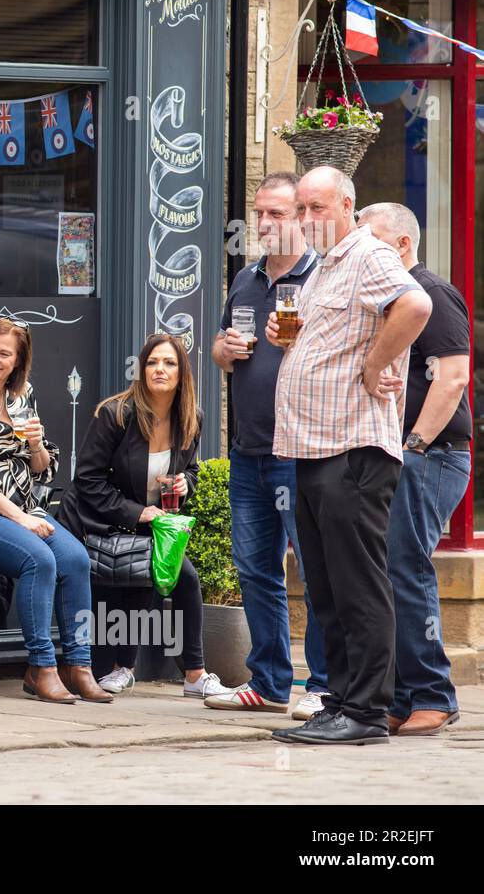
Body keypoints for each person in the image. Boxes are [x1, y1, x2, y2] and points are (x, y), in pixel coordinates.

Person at [268, 167, 432, 746]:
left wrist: (372, 364)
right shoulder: (325, 268)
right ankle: (340, 700)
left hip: (354, 447)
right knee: (328, 586)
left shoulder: (365, 251)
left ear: (346, 204)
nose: (308, 220)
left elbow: (414, 306)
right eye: (301, 211)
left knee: (358, 583)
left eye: (317, 208)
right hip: (315, 447)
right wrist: (292, 339)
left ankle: (365, 711)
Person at [204, 172, 330, 718]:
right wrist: (223, 349)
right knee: (255, 569)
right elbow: (217, 346)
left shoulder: (323, 278)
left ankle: (324, 685)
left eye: (276, 214)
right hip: (249, 448)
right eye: (259, 214)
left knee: (316, 569)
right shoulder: (246, 279)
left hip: (301, 450)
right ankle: (270, 682)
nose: (263, 224)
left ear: (303, 216)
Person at [0, 315, 110, 704]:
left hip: (29, 506)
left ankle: (79, 666)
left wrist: (35, 445)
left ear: (18, 362)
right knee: (39, 562)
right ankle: (40, 667)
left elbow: (44, 467)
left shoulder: (22, 397)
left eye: (5, 354)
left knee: (77, 559)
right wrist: (21, 518)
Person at [56, 333, 234, 700]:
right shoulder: (116, 414)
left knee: (184, 577)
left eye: (169, 363)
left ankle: (193, 675)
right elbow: (87, 480)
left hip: (149, 526)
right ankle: (124, 667)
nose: (159, 369)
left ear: (182, 372)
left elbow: (193, 470)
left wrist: (185, 482)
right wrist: (138, 512)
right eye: (152, 362)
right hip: (99, 523)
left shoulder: (192, 419)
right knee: (155, 577)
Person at [358, 202, 469, 737]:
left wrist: (416, 444)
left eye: (372, 241)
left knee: (406, 567)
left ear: (401, 245)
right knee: (387, 572)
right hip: (395, 452)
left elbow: (452, 378)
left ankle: (433, 694)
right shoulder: (386, 300)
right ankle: (401, 695)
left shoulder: (431, 293)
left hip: (432, 454)